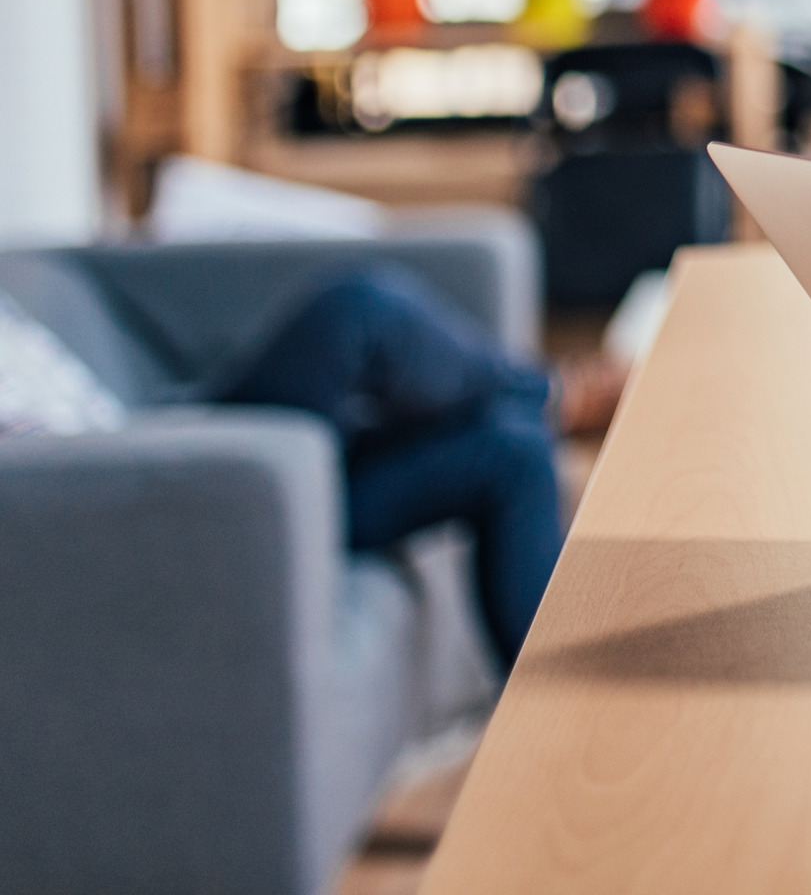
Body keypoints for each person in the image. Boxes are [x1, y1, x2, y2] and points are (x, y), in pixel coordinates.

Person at [1, 262, 620, 667]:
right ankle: (555, 393)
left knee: (513, 449)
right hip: (174, 485)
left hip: (179, 439)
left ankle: (566, 707)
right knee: (361, 311)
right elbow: (43, 465)